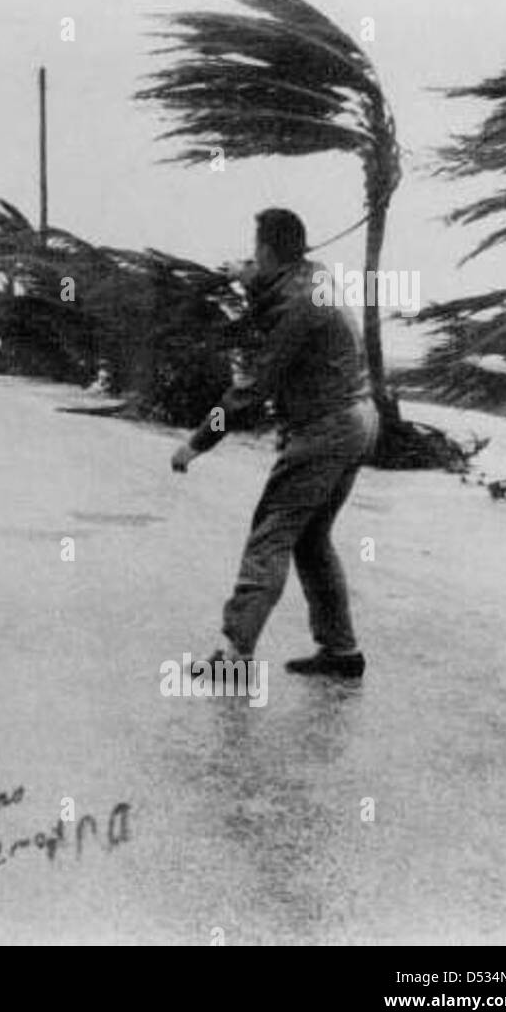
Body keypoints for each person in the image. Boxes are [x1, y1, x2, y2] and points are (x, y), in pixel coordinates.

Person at [171, 209, 378, 678]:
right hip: (360, 422)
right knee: (311, 538)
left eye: (255, 249)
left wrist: (198, 443)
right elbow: (280, 292)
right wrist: (248, 278)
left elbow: (252, 391)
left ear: (266, 250)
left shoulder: (295, 306)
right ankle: (341, 652)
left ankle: (234, 657)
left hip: (325, 429)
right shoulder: (313, 278)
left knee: (272, 533)